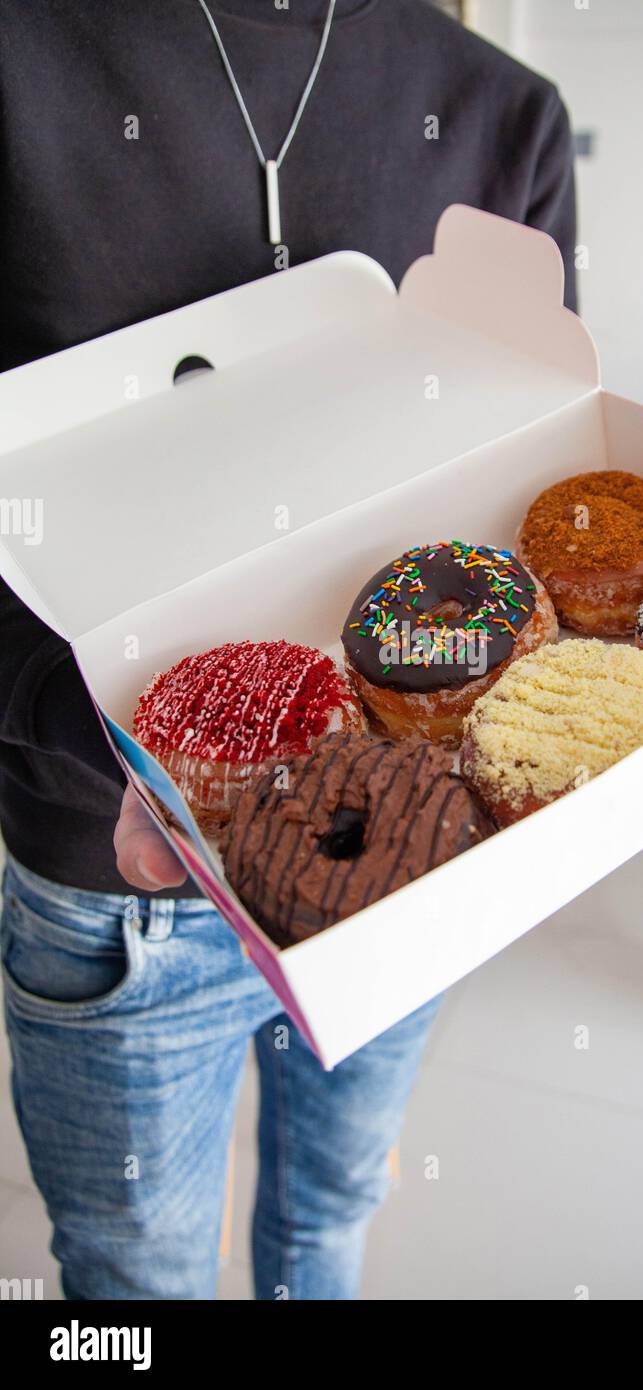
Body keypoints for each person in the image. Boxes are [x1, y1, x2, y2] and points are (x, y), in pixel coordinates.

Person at [0, 0, 576, 1300]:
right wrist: (99, 724)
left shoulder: (496, 115)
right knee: (134, 1277)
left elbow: (528, 487)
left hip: (405, 850)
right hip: (119, 874)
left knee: (329, 1216)